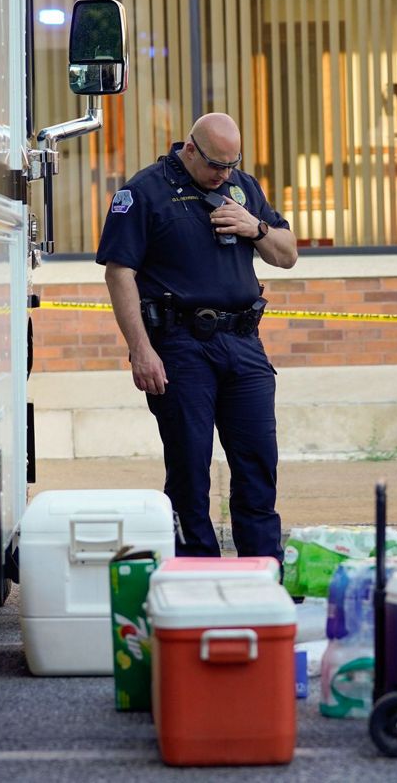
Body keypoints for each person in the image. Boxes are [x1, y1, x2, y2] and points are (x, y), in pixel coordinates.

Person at [96, 113, 298, 563]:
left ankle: (263, 567)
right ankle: (197, 571)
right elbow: (118, 273)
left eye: (231, 164)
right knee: (189, 469)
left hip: (243, 343)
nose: (223, 175)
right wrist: (141, 350)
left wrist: (256, 227)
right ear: (190, 149)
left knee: (258, 461)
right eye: (215, 165)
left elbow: (288, 256)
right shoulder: (143, 192)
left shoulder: (243, 188)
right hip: (181, 345)